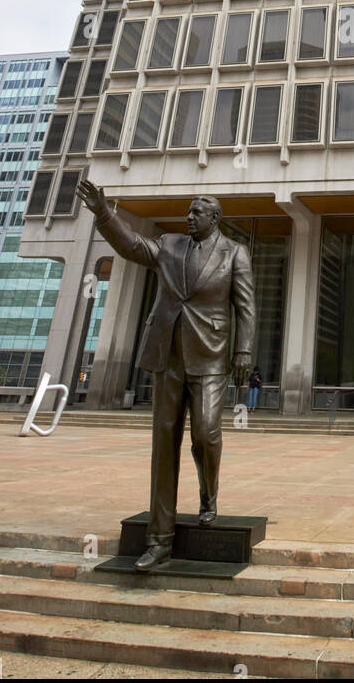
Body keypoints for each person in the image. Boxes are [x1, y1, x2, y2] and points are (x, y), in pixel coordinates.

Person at [76, 179, 255, 572]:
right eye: (188, 212)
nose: (188, 217)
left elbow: (246, 306)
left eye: (196, 213)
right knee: (164, 443)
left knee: (206, 434)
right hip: (167, 355)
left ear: (215, 218)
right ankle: (159, 539)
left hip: (210, 357)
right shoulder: (170, 245)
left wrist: (243, 350)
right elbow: (132, 246)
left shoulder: (234, 253)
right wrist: (105, 215)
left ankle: (209, 496)